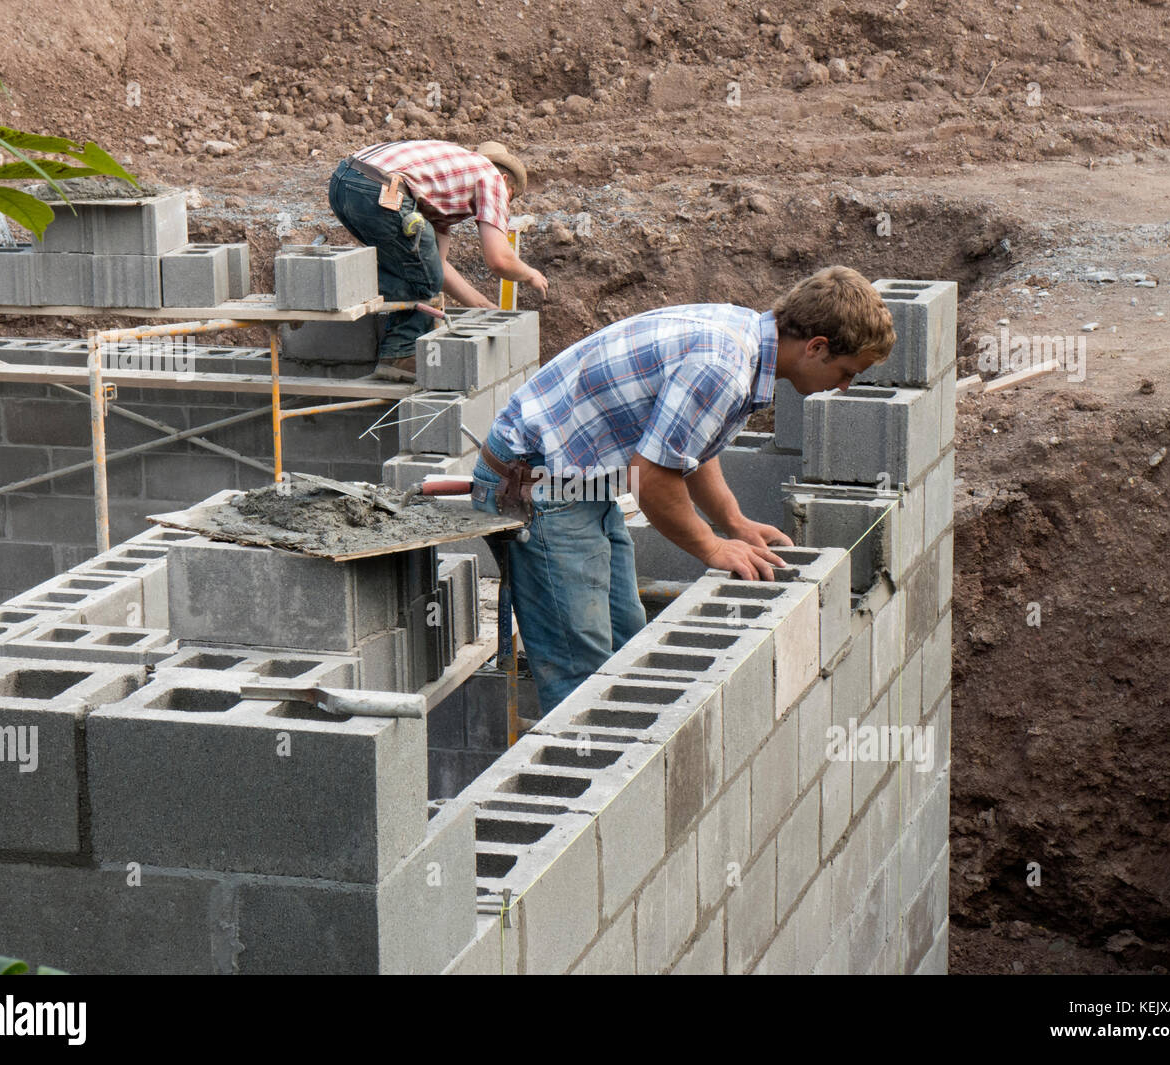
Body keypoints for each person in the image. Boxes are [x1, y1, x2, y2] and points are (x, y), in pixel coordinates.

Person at [470, 265, 896, 711]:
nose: (845, 386)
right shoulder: (723, 366)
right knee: (584, 676)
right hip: (535, 486)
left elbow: (686, 448)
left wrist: (733, 522)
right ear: (817, 347)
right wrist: (711, 547)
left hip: (579, 481)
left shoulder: (745, 342)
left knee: (626, 642)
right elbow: (652, 479)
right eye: (848, 371)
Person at [327, 139, 549, 364]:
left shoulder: (444, 184)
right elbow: (498, 259)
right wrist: (530, 274)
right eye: (510, 197)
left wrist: (487, 310)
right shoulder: (492, 177)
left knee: (411, 270)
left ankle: (322, 296)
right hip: (379, 188)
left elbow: (437, 267)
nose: (504, 204)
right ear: (505, 181)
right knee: (421, 279)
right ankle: (401, 356)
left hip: (344, 182)